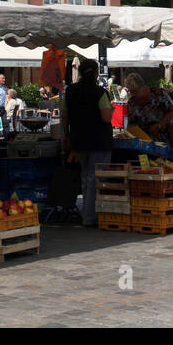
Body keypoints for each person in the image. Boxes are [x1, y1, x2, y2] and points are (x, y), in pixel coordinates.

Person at [62, 58, 113, 227]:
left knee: (85, 177)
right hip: (99, 140)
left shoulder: (70, 91)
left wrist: (66, 135)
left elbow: (64, 115)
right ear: (96, 73)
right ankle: (92, 216)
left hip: (78, 139)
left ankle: (87, 213)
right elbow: (107, 117)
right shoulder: (100, 92)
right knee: (96, 178)